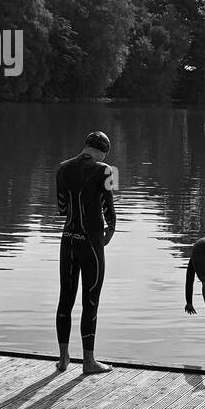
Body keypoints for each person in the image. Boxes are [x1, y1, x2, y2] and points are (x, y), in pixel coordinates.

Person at [55, 131, 116, 373]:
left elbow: (61, 207)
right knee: (90, 301)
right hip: (91, 242)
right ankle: (89, 362)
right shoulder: (107, 170)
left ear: (86, 146)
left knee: (65, 300)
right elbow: (109, 208)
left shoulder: (62, 168)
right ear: (103, 151)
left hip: (68, 239)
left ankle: (63, 359)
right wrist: (109, 231)